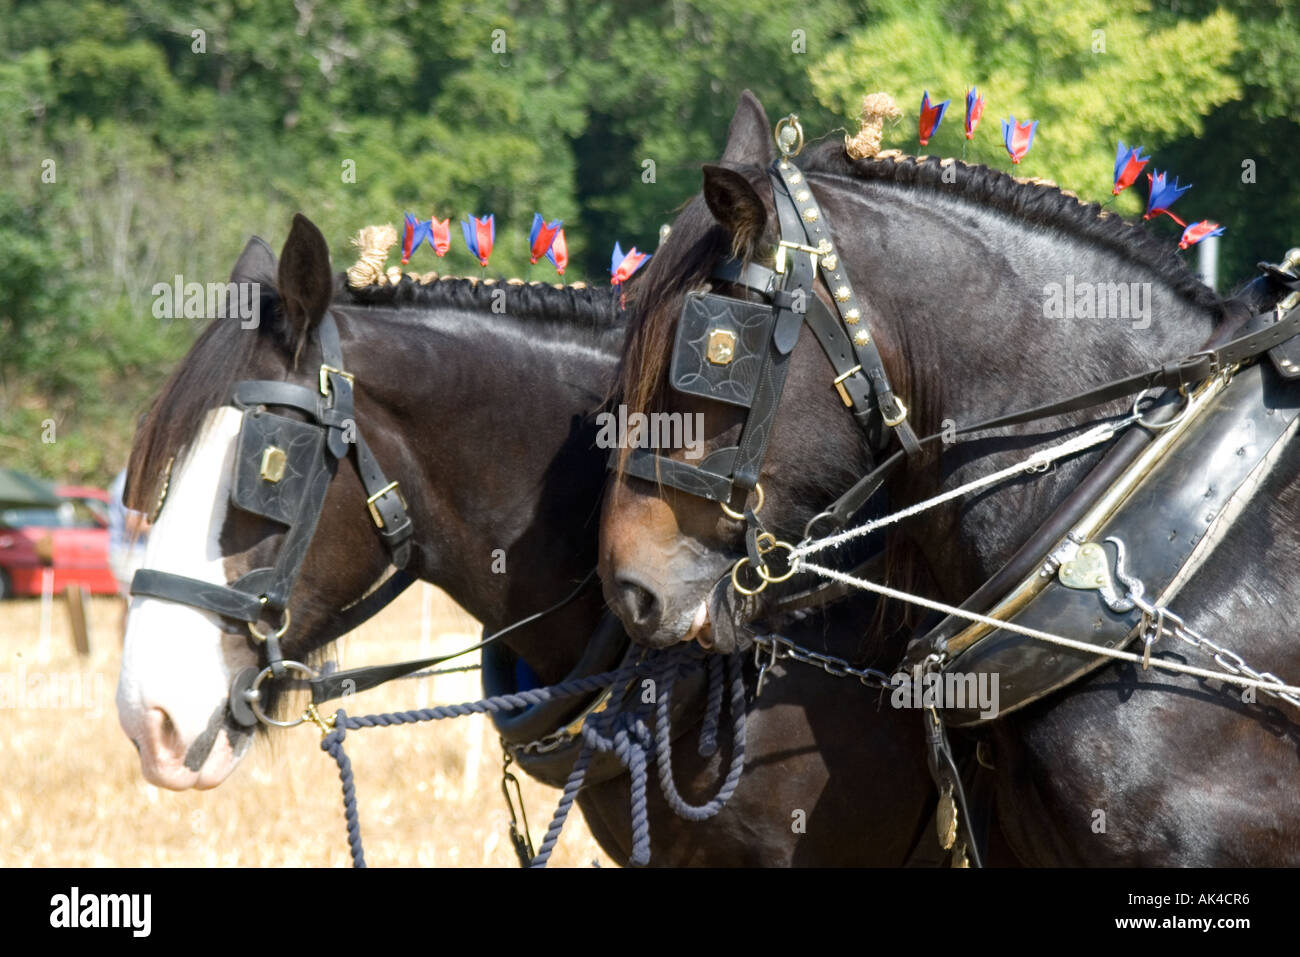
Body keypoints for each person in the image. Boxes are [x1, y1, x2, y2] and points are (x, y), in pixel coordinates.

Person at [107, 468, 149, 638]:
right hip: (131, 554)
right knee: (135, 608)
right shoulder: (132, 478)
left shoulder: (130, 476)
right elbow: (135, 522)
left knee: (131, 607)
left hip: (132, 553)